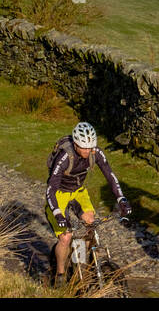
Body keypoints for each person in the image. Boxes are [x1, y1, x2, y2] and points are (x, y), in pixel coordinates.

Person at [45, 121, 131, 287]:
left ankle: (82, 260)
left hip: (78, 192)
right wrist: (57, 213)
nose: (87, 151)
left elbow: (110, 175)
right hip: (58, 194)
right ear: (76, 144)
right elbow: (51, 188)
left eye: (90, 147)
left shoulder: (95, 152)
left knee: (90, 222)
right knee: (65, 237)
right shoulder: (64, 157)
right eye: (83, 147)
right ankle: (60, 274)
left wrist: (121, 199)